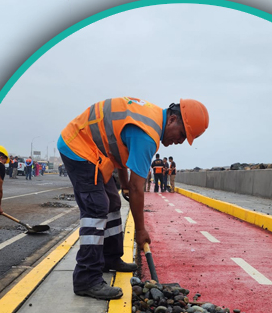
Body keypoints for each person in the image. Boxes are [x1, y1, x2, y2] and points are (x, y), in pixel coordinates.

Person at [58, 97, 209, 299]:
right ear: (172, 120)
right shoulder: (148, 135)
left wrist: (125, 184)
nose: (180, 142)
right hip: (78, 146)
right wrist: (140, 230)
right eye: (182, 135)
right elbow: (139, 189)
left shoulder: (150, 118)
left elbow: (120, 153)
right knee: (96, 208)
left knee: (112, 202)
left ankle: (110, 258)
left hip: (97, 151)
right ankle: (86, 278)